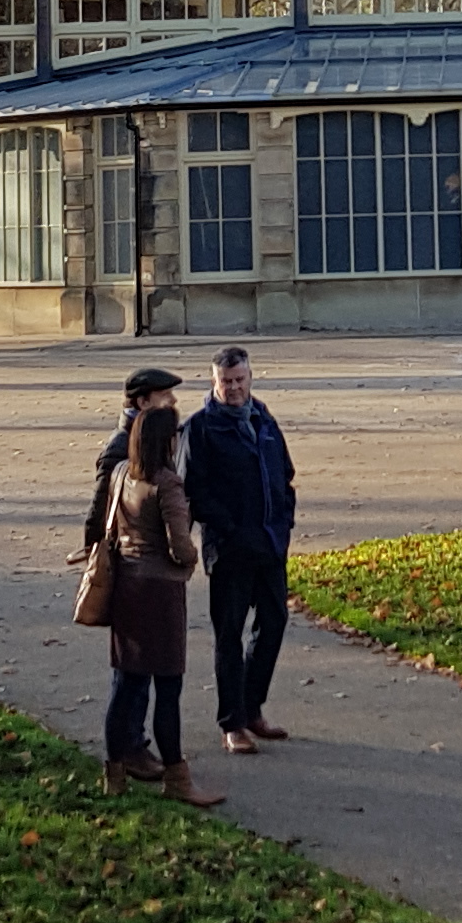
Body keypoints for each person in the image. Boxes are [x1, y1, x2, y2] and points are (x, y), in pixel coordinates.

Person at [83, 369, 219, 806]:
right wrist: (190, 560)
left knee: (126, 682)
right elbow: (181, 547)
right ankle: (176, 777)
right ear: (167, 442)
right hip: (160, 593)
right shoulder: (167, 484)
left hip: (127, 585)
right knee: (168, 687)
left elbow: (103, 517)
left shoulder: (122, 472)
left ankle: (114, 772)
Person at [183, 344, 298, 756]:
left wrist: (284, 522)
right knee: (229, 635)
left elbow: (285, 475)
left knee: (274, 622)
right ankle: (232, 723)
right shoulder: (199, 428)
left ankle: (252, 709)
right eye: (225, 381)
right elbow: (193, 492)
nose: (233, 388)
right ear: (214, 381)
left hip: (270, 543)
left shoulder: (263, 418)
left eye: (239, 380)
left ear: (250, 378)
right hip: (230, 549)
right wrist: (229, 529)